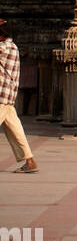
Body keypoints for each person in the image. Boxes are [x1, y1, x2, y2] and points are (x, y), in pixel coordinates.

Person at [0, 19, 38, 173]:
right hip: (7, 98)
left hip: (1, 96)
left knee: (16, 130)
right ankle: (30, 162)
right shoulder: (11, 46)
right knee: (16, 131)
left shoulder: (5, 47)